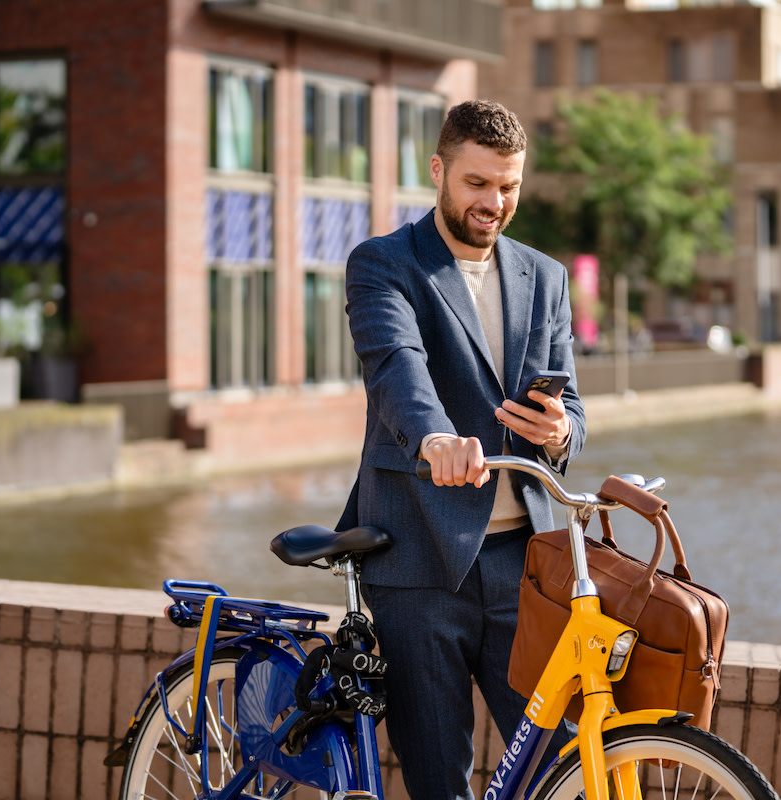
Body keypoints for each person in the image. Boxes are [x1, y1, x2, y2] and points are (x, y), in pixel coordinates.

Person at [336, 99, 586, 800]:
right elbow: (396, 370)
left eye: (509, 186)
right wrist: (436, 437)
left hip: (523, 563)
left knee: (558, 764)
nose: (495, 202)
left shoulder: (547, 276)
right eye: (478, 184)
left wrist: (561, 432)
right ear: (439, 171)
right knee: (440, 778)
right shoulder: (384, 264)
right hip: (418, 560)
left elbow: (573, 406)